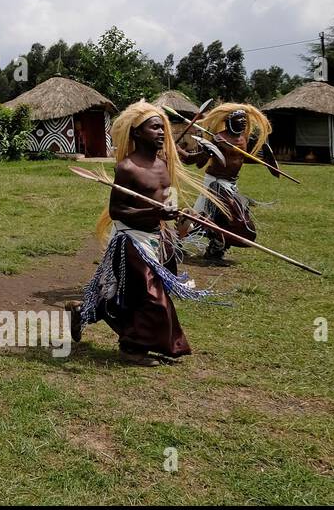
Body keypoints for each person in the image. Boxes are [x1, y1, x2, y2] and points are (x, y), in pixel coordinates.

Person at [70, 102, 223, 364]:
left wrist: (183, 216)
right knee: (153, 298)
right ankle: (132, 348)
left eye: (162, 127)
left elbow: (168, 198)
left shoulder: (163, 164)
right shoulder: (127, 168)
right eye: (155, 127)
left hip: (158, 238)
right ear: (137, 133)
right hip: (131, 240)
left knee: (139, 296)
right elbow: (117, 211)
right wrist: (153, 213)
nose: (162, 132)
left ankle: (88, 311)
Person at [179, 103, 276, 264]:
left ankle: (211, 248)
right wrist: (207, 148)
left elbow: (242, 158)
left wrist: (267, 160)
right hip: (215, 183)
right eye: (239, 119)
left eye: (245, 119)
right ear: (229, 121)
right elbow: (197, 162)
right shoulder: (219, 138)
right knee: (217, 217)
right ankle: (184, 242)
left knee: (214, 218)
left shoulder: (244, 138)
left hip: (231, 185)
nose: (243, 122)